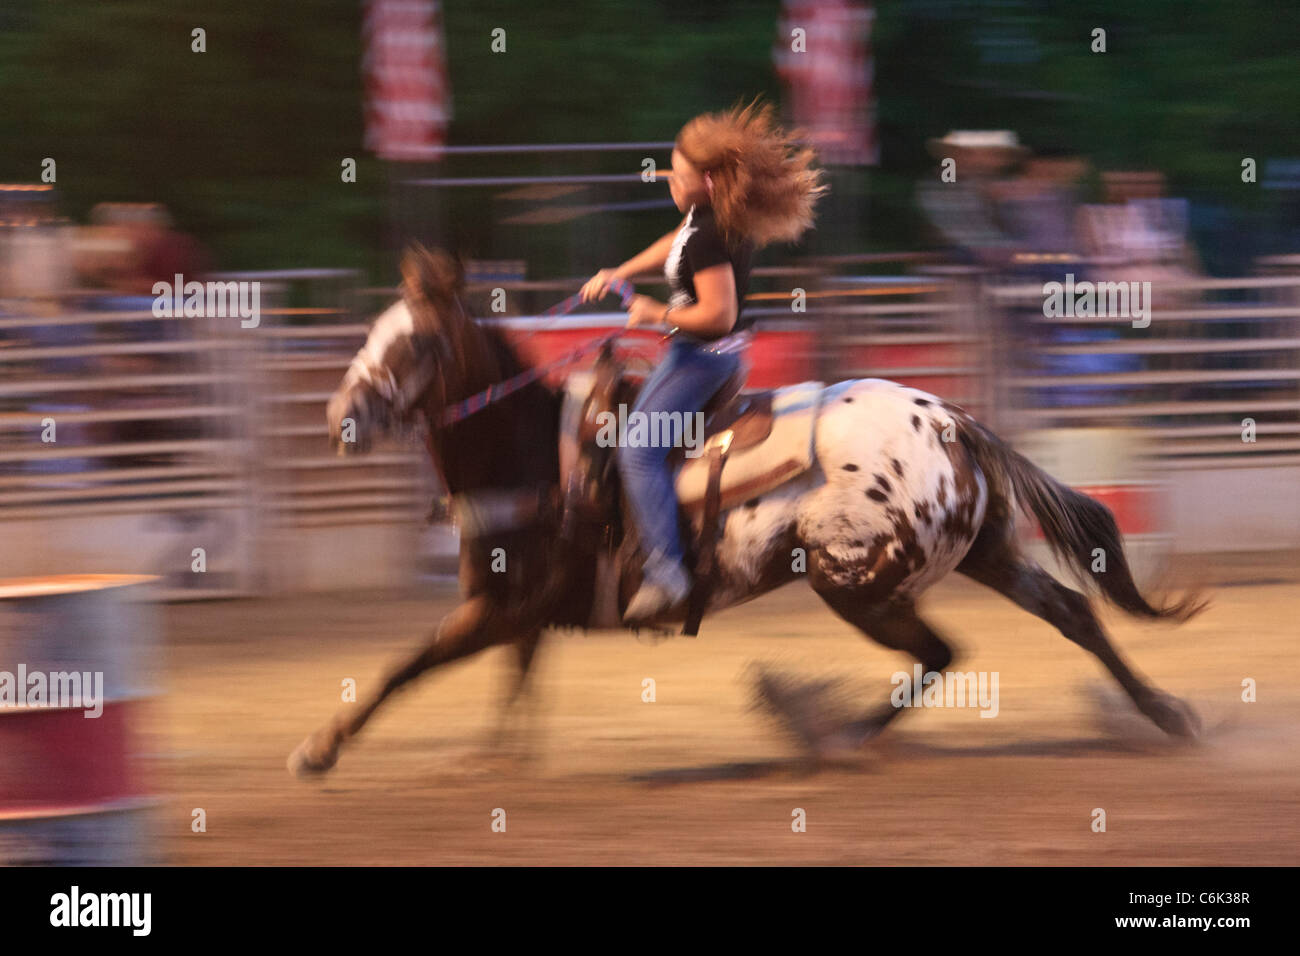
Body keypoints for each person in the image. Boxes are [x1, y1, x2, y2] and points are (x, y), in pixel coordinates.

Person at [580, 100, 826, 623]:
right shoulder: (702, 219)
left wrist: (653, 311)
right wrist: (619, 271)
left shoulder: (712, 234)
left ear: (709, 180)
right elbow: (675, 243)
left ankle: (668, 572)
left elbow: (718, 313)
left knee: (638, 451)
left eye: (680, 172)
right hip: (698, 354)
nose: (669, 177)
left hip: (703, 359)